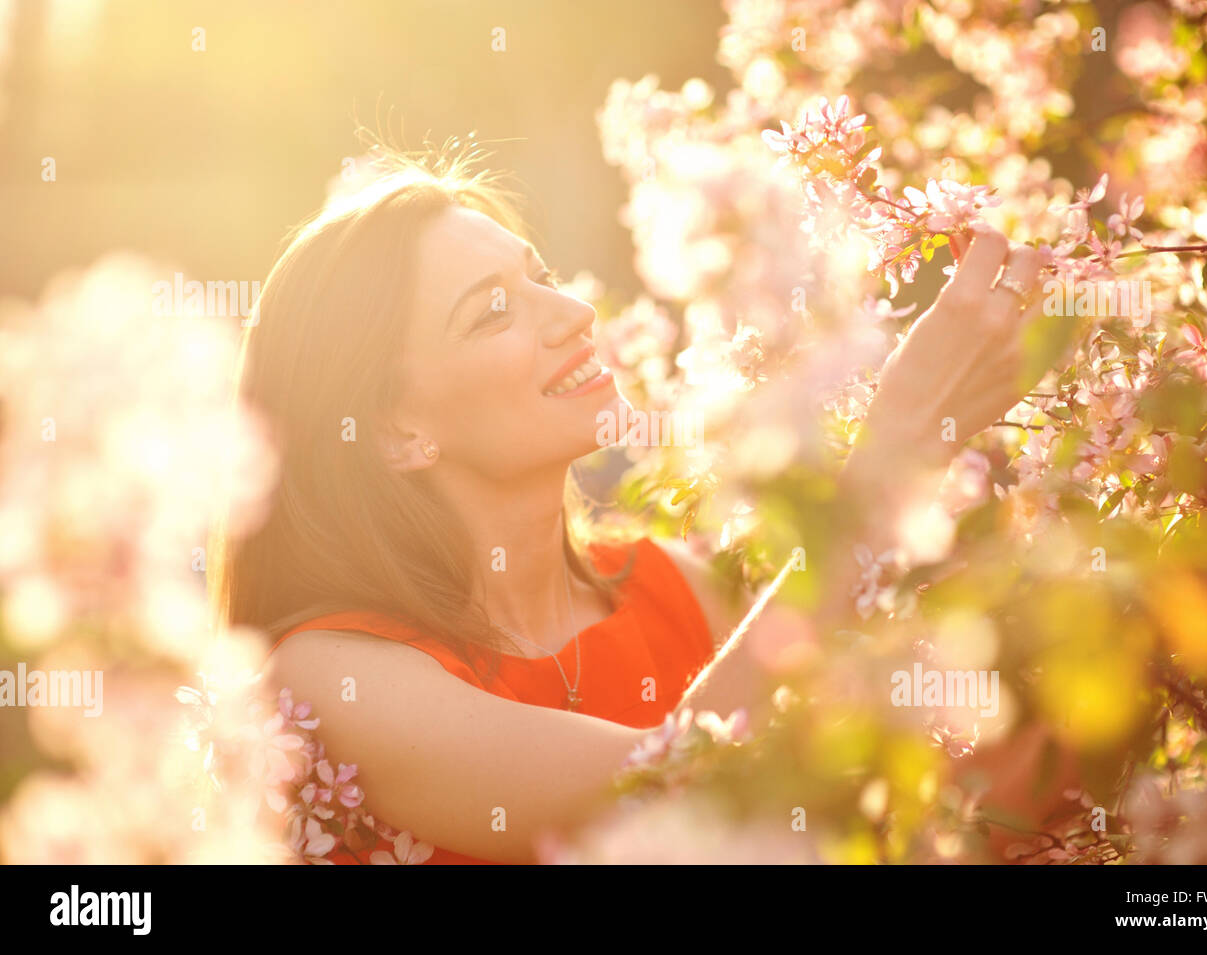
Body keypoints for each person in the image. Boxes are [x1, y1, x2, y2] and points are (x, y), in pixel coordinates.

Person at [208, 144, 1051, 864]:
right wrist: (891, 453)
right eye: (494, 312)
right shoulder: (331, 675)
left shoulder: (682, 586)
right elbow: (667, 791)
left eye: (539, 275)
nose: (574, 312)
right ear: (394, 432)